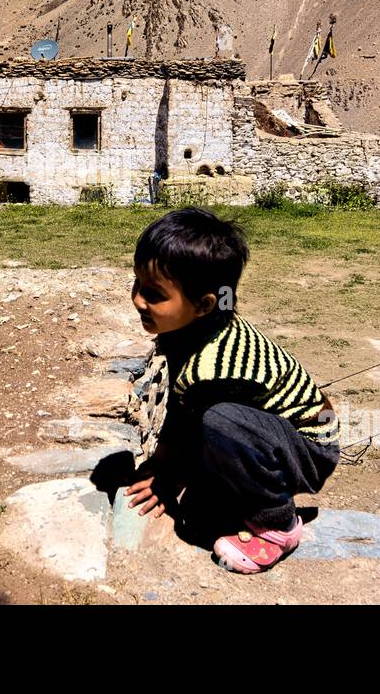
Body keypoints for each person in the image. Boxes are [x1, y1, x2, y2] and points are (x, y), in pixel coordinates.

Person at [124, 207, 340, 574]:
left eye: (154, 294)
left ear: (204, 304)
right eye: (137, 285)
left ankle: (278, 525)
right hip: (272, 433)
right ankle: (237, 491)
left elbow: (193, 424)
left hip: (311, 447)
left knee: (220, 419)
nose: (138, 300)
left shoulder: (214, 366)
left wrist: (167, 477)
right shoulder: (203, 322)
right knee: (196, 511)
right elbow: (181, 407)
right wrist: (162, 466)